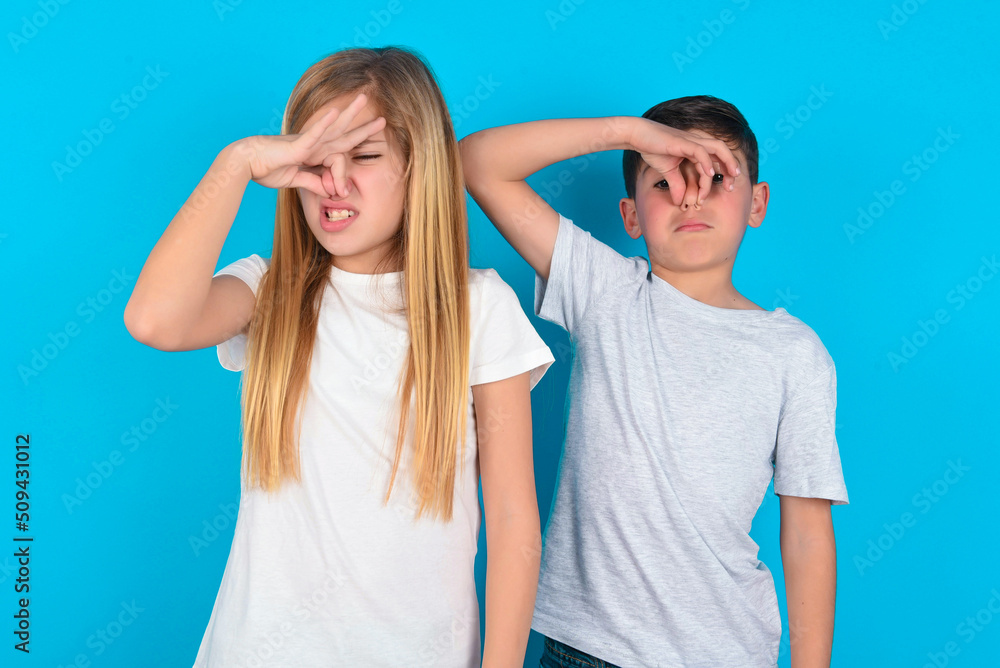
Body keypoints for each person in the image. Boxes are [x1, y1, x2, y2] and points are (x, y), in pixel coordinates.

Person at [124, 46, 554, 668]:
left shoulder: (477, 306)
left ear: (418, 166)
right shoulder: (267, 291)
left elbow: (515, 522)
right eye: (315, 160)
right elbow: (153, 320)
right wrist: (238, 162)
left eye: (366, 157)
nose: (334, 183)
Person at [459, 95, 849, 668]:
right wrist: (627, 133)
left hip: (727, 652)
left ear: (757, 202)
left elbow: (809, 529)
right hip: (585, 649)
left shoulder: (796, 354)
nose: (690, 195)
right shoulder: (605, 292)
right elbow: (478, 163)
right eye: (665, 181)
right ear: (631, 215)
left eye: (716, 176)